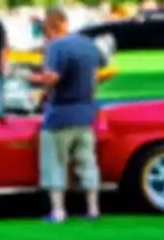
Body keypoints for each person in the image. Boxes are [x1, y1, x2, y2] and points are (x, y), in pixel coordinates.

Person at [29, 8, 105, 223]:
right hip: (85, 113)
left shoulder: (56, 47)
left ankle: (58, 211)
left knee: (55, 163)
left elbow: (52, 78)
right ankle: (93, 209)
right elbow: (98, 75)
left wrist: (33, 78)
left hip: (60, 115)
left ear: (50, 27)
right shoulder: (87, 44)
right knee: (87, 163)